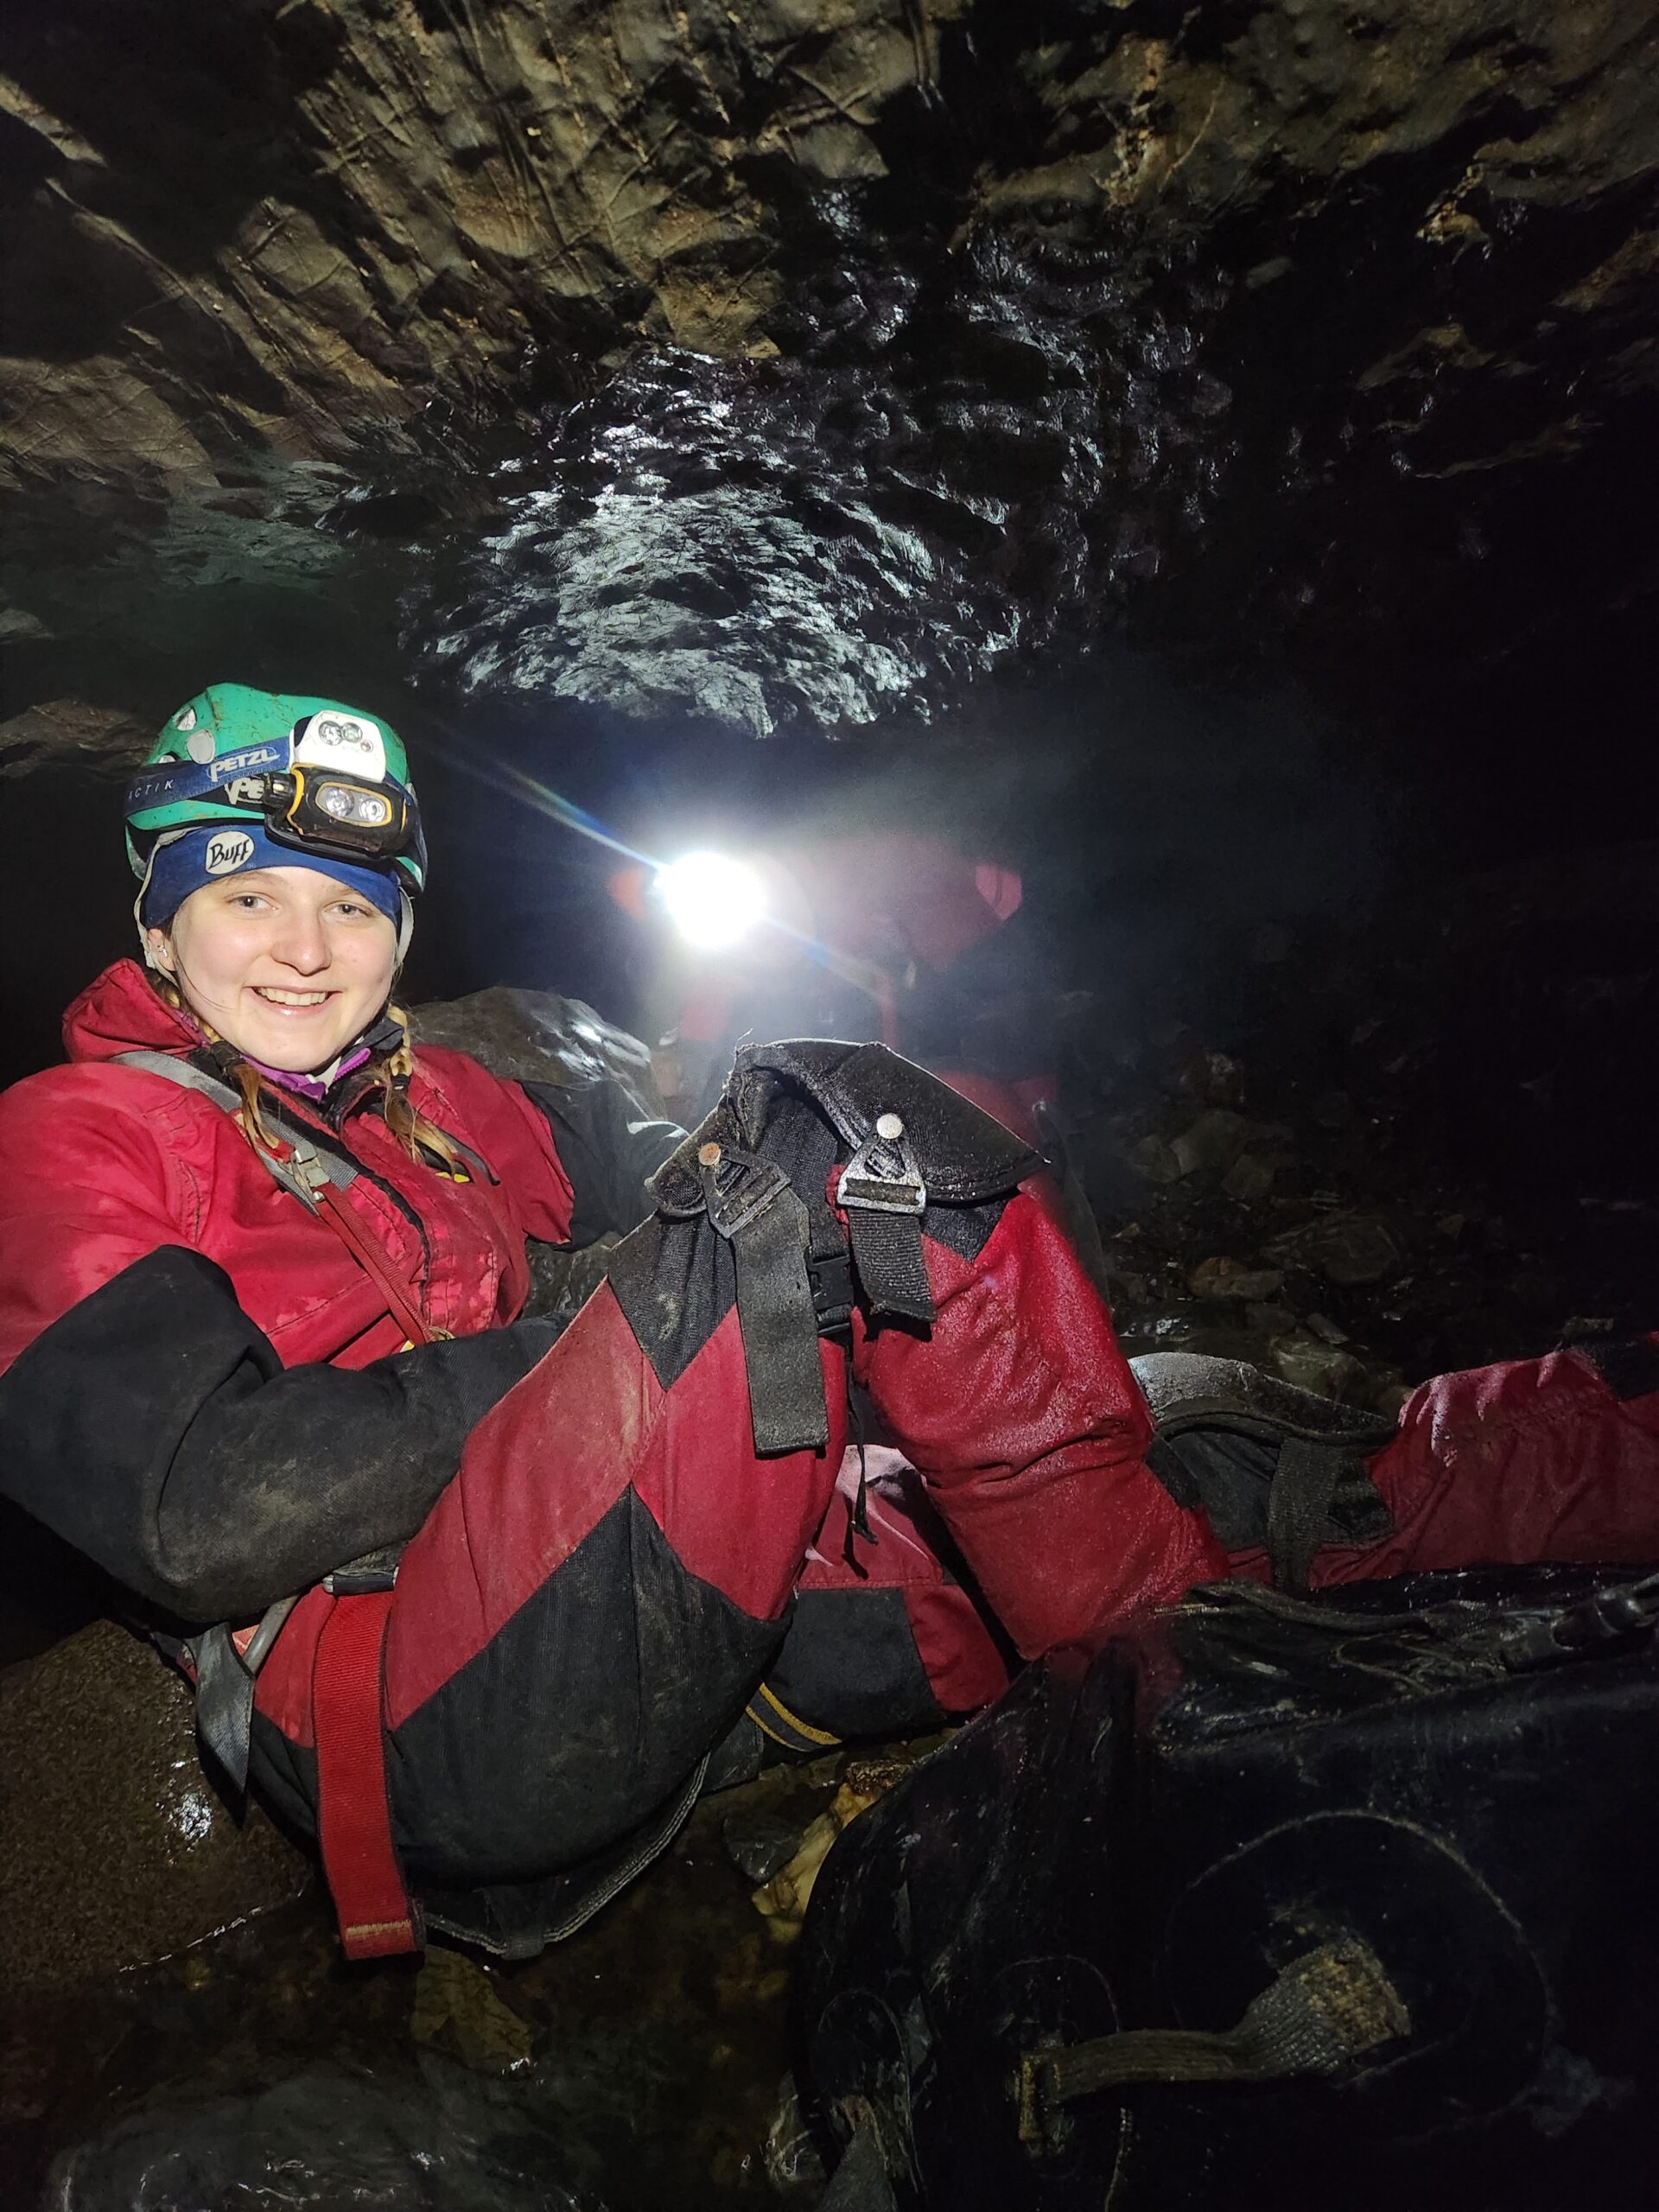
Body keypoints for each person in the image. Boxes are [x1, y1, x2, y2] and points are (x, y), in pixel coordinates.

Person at [3, 682, 1659, 1964]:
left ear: (403, 930)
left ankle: (1610, 1434)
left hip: (621, 1609)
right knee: (823, 1125)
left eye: (354, 906)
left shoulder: (459, 1111)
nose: (308, 949)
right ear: (158, 918)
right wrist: (620, 1328)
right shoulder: (72, 1137)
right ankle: (1169, 1689)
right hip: (429, 1716)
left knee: (1195, 1443)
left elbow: (667, 1258)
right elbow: (201, 1511)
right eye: (249, 898)